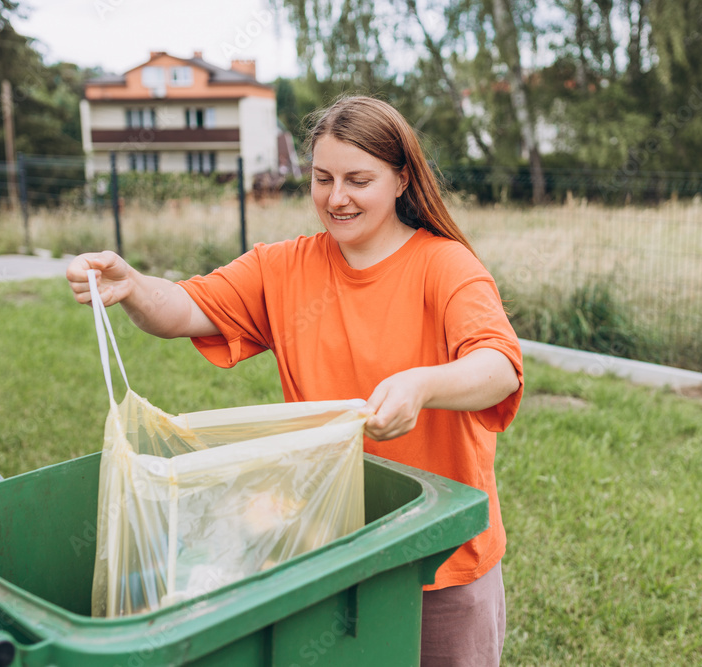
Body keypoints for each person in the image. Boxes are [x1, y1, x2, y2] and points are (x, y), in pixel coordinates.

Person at [67, 95, 523, 666]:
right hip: (325, 550)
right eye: (322, 178)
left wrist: (422, 385)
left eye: (359, 179)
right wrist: (132, 285)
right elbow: (184, 307)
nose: (336, 198)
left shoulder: (445, 266)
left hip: (439, 562)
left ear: (402, 179)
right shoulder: (283, 268)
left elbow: (499, 366)